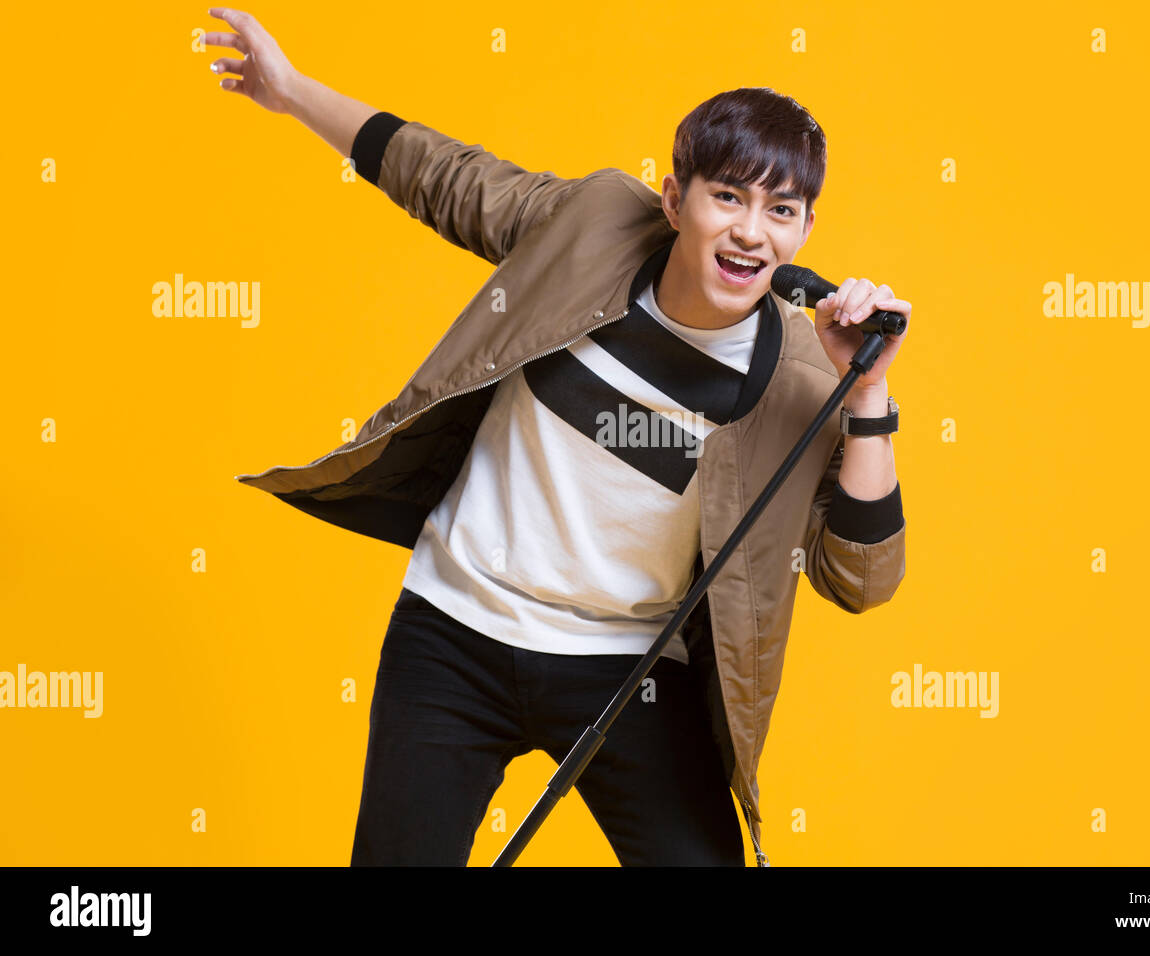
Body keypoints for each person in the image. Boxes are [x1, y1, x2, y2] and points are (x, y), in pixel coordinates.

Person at [208, 6, 910, 866]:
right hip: (457, 628)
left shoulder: (799, 371)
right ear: (674, 198)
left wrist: (866, 390)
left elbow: (860, 577)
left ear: (804, 232)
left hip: (630, 671)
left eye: (782, 208)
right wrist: (289, 92)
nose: (751, 230)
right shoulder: (593, 226)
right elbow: (446, 178)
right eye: (727, 196)